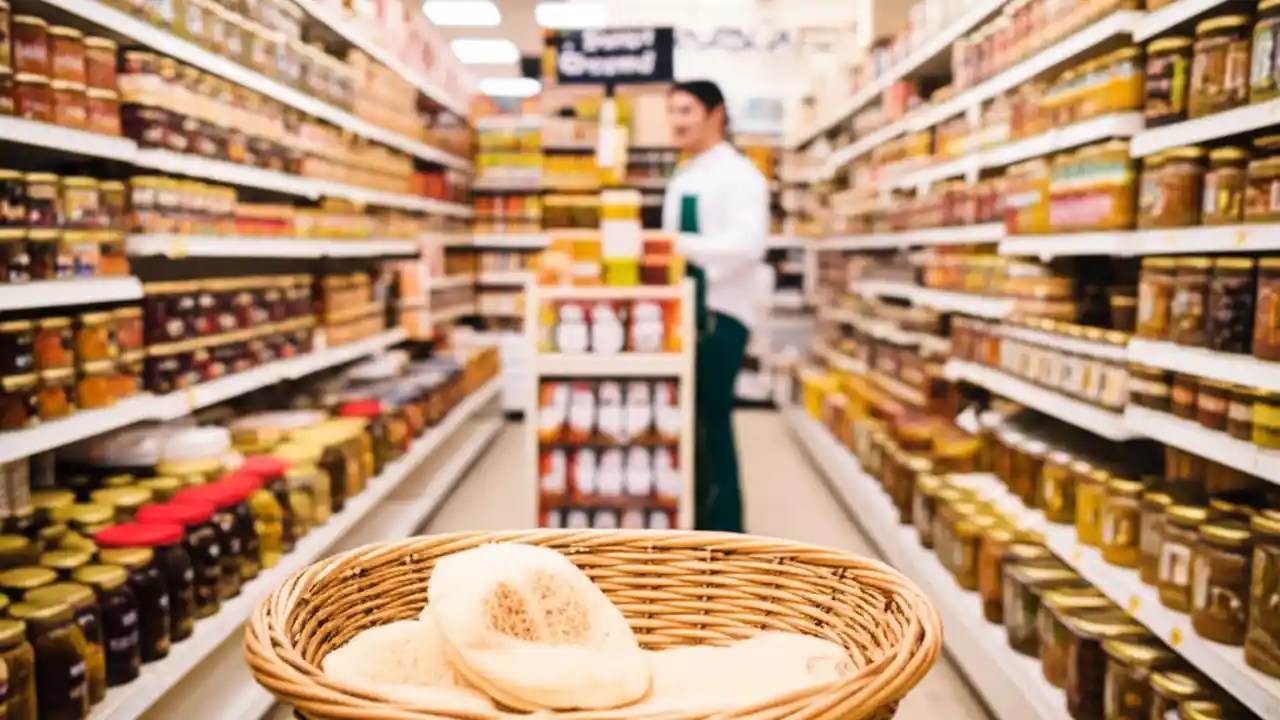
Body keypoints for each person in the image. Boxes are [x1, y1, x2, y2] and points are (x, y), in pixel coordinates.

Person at [661, 80, 770, 533]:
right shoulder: (686, 173)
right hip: (689, 315)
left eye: (686, 111)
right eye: (672, 112)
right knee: (696, 423)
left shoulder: (739, 176)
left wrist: (678, 246)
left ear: (716, 114)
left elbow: (748, 245)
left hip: (722, 317)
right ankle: (700, 525)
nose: (677, 121)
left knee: (713, 421)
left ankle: (725, 532)